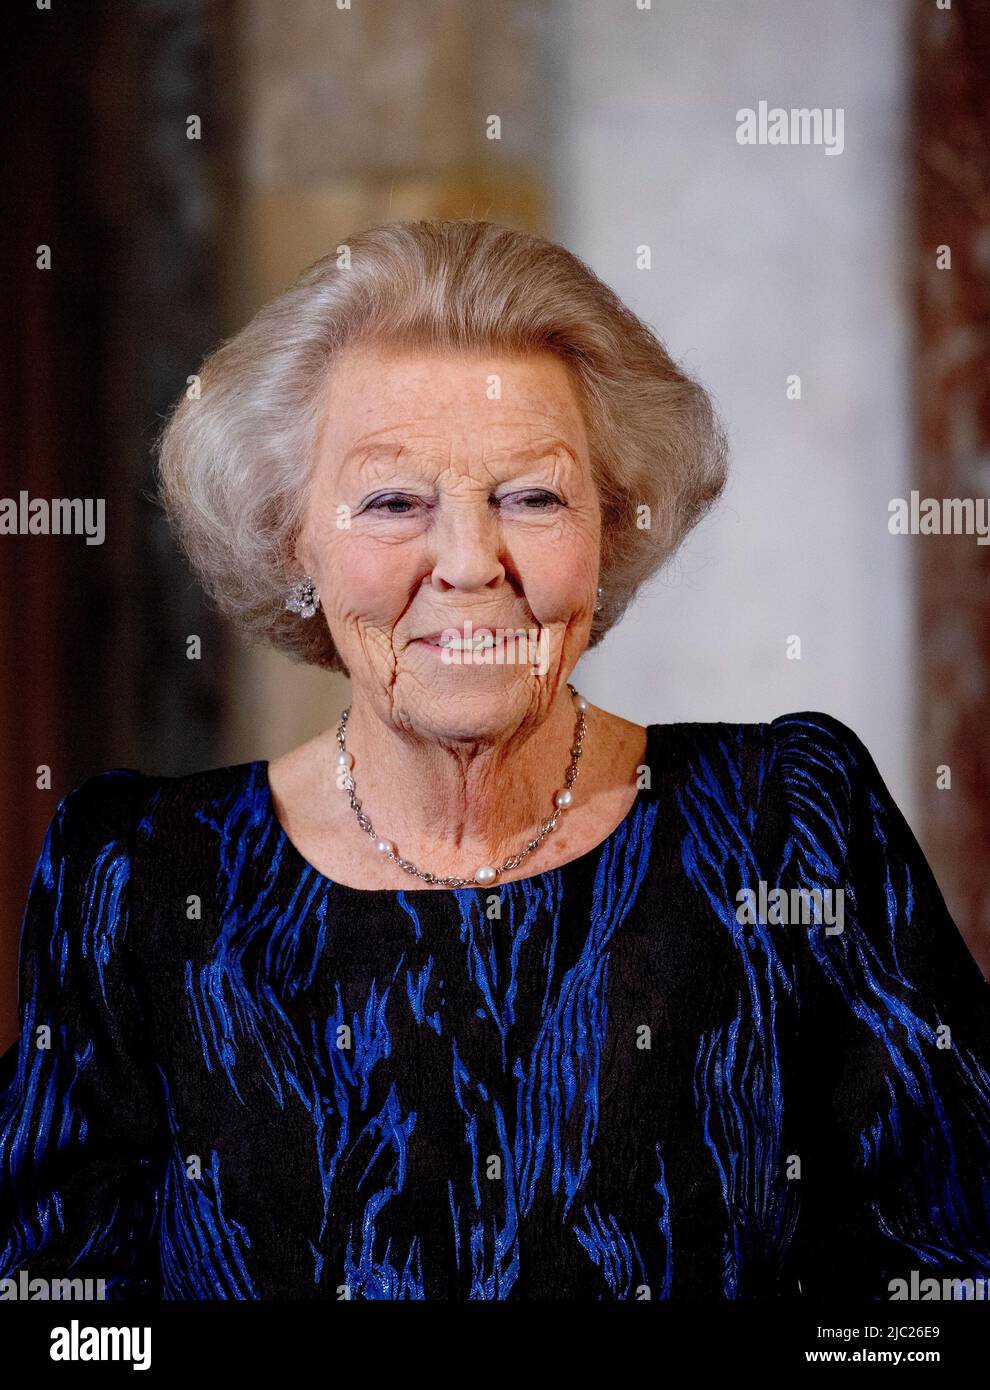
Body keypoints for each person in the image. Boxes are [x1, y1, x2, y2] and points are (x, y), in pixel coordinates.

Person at [1, 219, 988, 1300]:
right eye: (392, 502)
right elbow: (62, 1316)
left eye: (532, 496)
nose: (472, 563)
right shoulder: (136, 877)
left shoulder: (792, 826)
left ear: (609, 529)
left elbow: (947, 1286)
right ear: (294, 541)